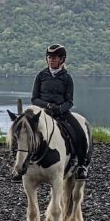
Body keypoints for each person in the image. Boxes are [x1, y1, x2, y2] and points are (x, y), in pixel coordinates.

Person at [30, 43, 90, 180]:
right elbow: (34, 99)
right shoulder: (41, 76)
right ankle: (20, 164)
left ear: (61, 60)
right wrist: (47, 105)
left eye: (54, 58)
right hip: (43, 112)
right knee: (23, 131)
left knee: (80, 134)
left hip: (61, 113)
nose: (51, 60)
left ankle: (81, 165)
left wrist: (60, 108)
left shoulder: (67, 78)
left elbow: (69, 102)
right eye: (49, 57)